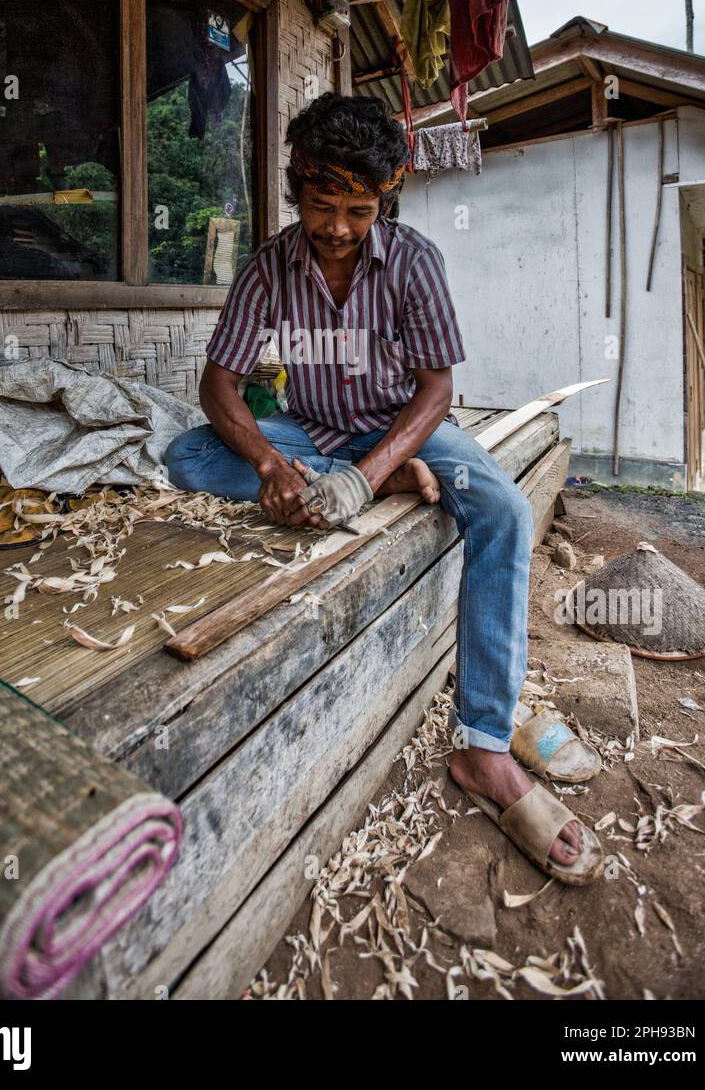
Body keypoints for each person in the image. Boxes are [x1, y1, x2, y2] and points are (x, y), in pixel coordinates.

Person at [166, 92, 588, 876]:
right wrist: (269, 463)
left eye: (358, 210)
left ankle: (485, 746)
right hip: (313, 433)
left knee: (499, 510)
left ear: (381, 201)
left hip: (403, 427)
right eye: (322, 205)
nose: (336, 227)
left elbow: (436, 391)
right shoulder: (267, 268)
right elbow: (218, 387)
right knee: (188, 457)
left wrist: (366, 476)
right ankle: (372, 484)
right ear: (297, 190)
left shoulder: (416, 261)